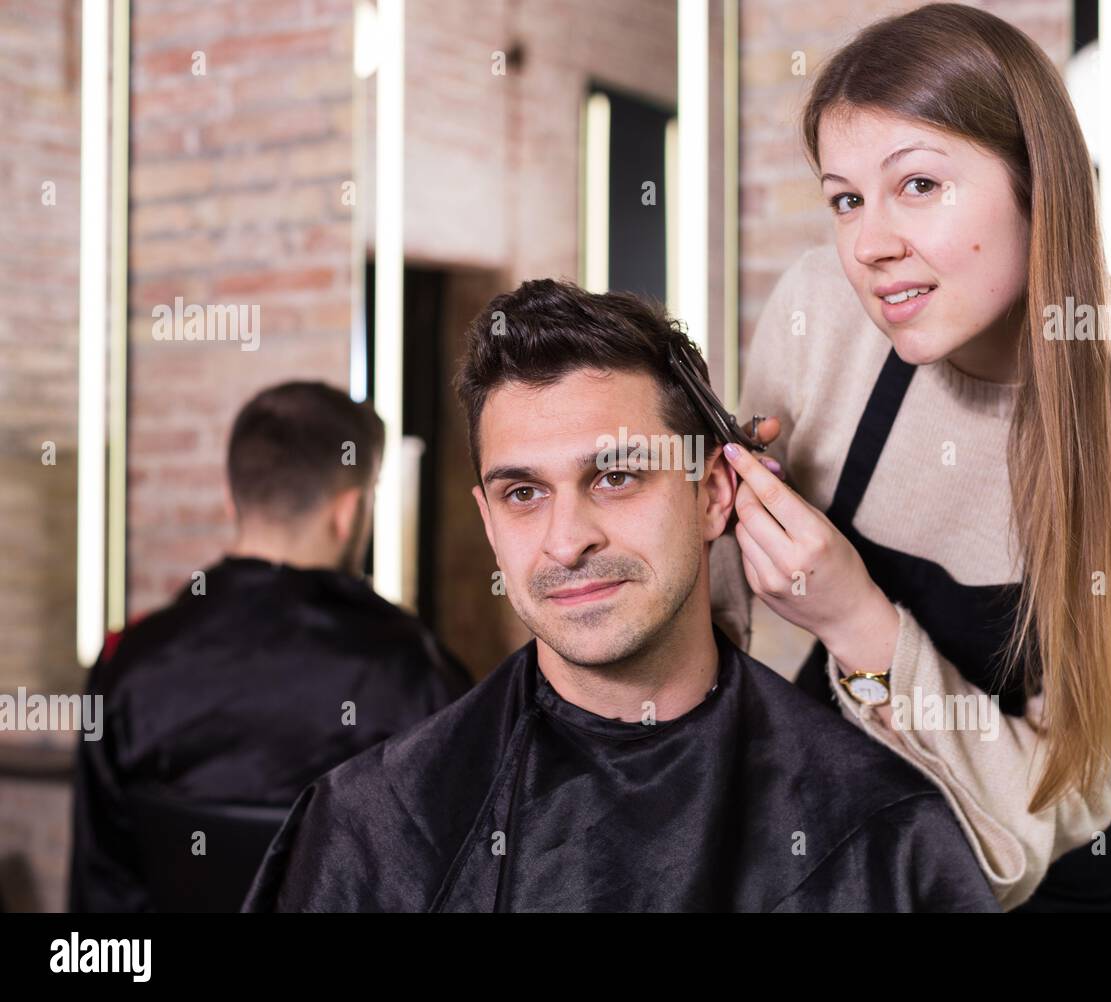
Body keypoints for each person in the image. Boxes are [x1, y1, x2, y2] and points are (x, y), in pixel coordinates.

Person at [708, 4, 1111, 911]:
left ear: (1038, 182)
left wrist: (858, 623)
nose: (869, 245)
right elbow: (719, 621)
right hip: (844, 832)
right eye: (846, 197)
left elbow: (1036, 817)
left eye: (920, 185)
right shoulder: (821, 306)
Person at [242, 280, 999, 913]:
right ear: (488, 521)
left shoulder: (879, 835)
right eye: (524, 493)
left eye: (615, 477)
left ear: (712, 497)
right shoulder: (376, 824)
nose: (567, 540)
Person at [69, 381, 472, 912]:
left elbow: (99, 891)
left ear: (236, 492)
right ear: (349, 510)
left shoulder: (129, 661)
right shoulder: (415, 670)